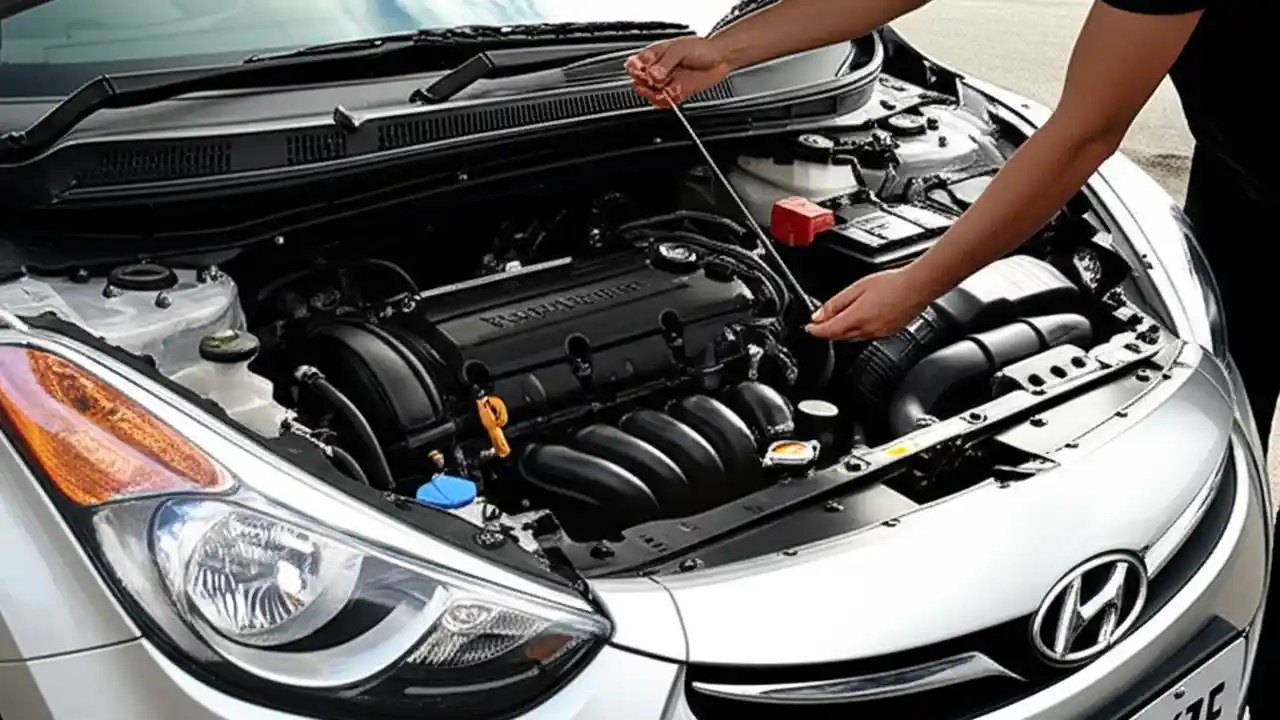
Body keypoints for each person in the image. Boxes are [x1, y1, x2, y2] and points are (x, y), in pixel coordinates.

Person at [625, 0, 1272, 440]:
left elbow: (1085, 132)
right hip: (1240, 172)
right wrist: (725, 50)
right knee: (1229, 403)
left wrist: (918, 283)